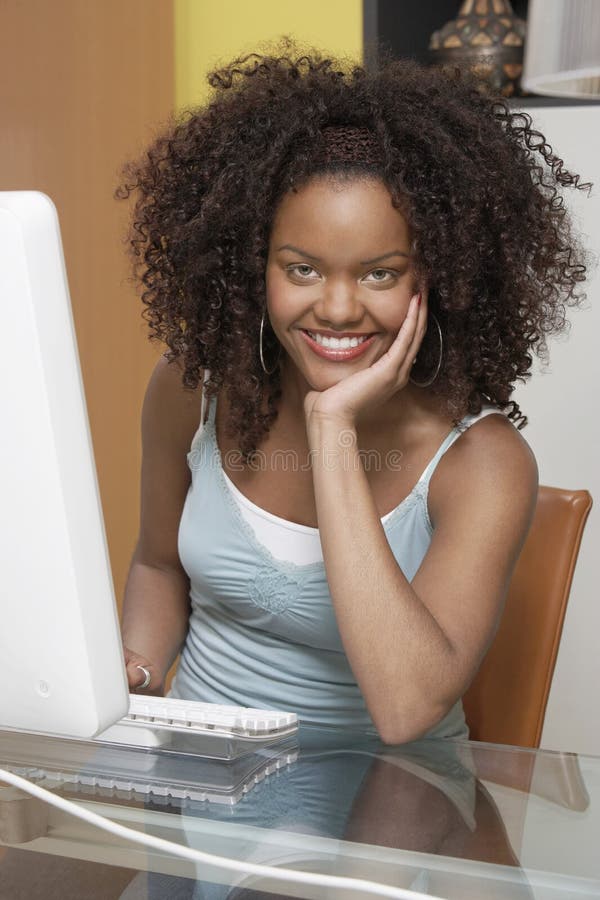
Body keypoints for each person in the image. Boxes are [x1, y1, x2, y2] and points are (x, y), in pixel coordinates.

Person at [116, 43, 587, 745]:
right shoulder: (194, 390)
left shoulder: (482, 464)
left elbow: (406, 709)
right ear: (253, 265)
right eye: (302, 269)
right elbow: (157, 564)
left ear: (439, 274)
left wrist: (330, 427)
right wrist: (137, 682)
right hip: (200, 796)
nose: (336, 309)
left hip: (390, 819)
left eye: (379, 274)